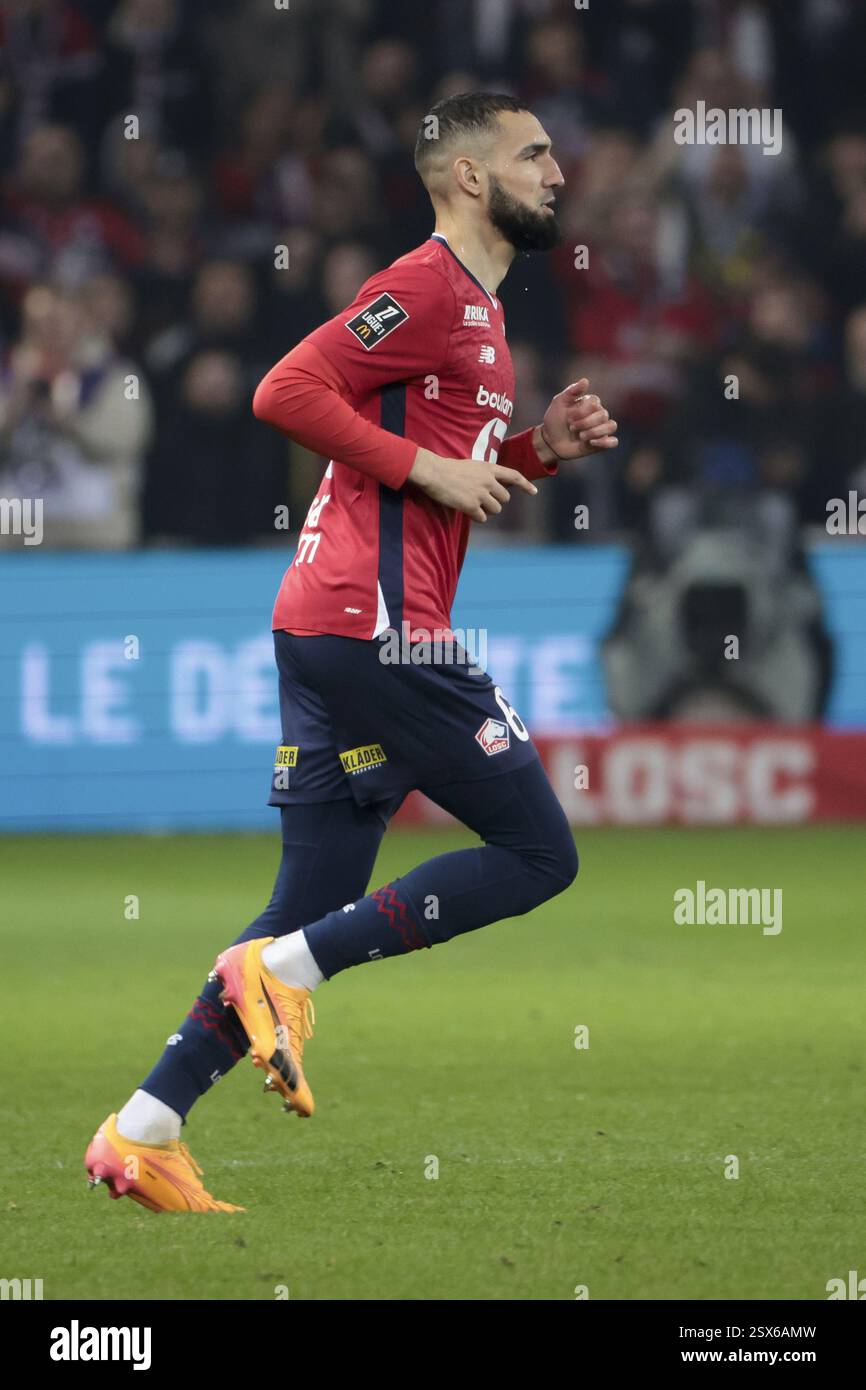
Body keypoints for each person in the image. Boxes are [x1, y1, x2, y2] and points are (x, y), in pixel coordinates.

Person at [85, 93, 618, 1213]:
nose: (555, 170)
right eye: (532, 154)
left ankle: (143, 1126)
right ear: (468, 177)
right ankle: (284, 972)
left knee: (312, 891)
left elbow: (445, 463)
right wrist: (430, 472)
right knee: (537, 851)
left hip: (328, 626)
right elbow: (284, 389)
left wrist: (537, 451)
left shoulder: (477, 310)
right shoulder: (424, 286)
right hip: (376, 629)